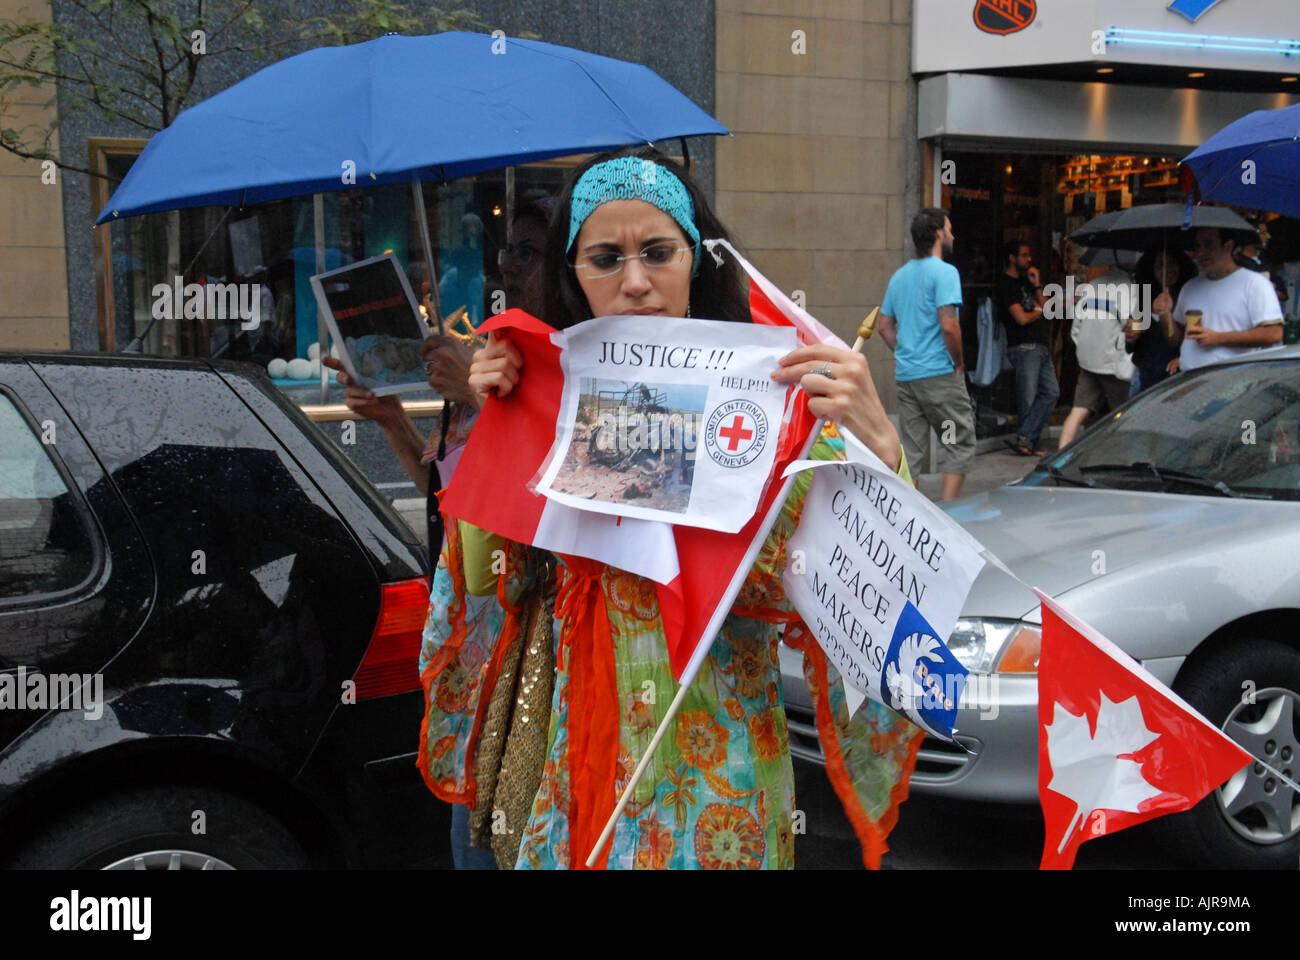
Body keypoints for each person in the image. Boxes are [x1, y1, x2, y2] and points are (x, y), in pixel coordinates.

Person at [426, 146, 918, 870]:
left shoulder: (777, 407)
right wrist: (494, 432)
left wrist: (882, 446)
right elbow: (482, 583)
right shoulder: (549, 404)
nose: (635, 282)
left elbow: (876, 601)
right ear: (573, 275)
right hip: (577, 787)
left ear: (697, 260)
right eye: (604, 258)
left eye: (658, 252)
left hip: (722, 801)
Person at [878, 208, 974, 499]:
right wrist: (958, 362)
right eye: (949, 229)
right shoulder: (945, 273)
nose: (953, 235)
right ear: (937, 234)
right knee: (959, 442)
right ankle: (947, 512)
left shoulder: (899, 276)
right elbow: (949, 325)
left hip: (907, 376)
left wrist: (906, 352)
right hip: (939, 373)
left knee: (912, 450)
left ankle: (905, 513)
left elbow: (884, 327)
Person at [1159, 227, 1284, 373]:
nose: (1200, 253)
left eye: (1208, 245)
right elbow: (1176, 340)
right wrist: (1164, 314)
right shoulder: (1190, 286)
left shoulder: (1254, 283)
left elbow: (1274, 333)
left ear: (1228, 246)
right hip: (1189, 382)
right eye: (1198, 246)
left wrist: (1219, 338)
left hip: (1230, 383)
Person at [1056, 263, 1135, 449]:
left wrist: (1085, 350)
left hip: (1088, 360)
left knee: (1078, 409)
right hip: (1114, 363)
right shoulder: (1132, 288)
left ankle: (1060, 453)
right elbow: (1132, 326)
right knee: (1125, 412)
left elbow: (1076, 327)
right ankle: (1121, 455)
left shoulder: (1092, 285)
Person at [997, 240, 1059, 456]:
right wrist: (1039, 310)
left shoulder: (1027, 282)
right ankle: (1031, 441)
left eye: (1029, 255)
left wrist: (1037, 284)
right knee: (1028, 398)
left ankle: (1027, 437)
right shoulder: (1006, 285)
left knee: (1052, 392)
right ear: (1012, 258)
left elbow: (1048, 308)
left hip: (1040, 346)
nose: (1029, 259)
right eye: (1023, 255)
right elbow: (1021, 318)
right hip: (1023, 346)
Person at [1124, 247, 1193, 393]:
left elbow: (1194, 337)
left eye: (1172, 263)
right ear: (1151, 270)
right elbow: (1130, 348)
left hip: (1180, 382)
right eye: (1160, 265)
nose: (1167, 270)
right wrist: (1131, 338)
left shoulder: (1190, 297)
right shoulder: (1145, 301)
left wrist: (1183, 357)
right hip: (1147, 383)